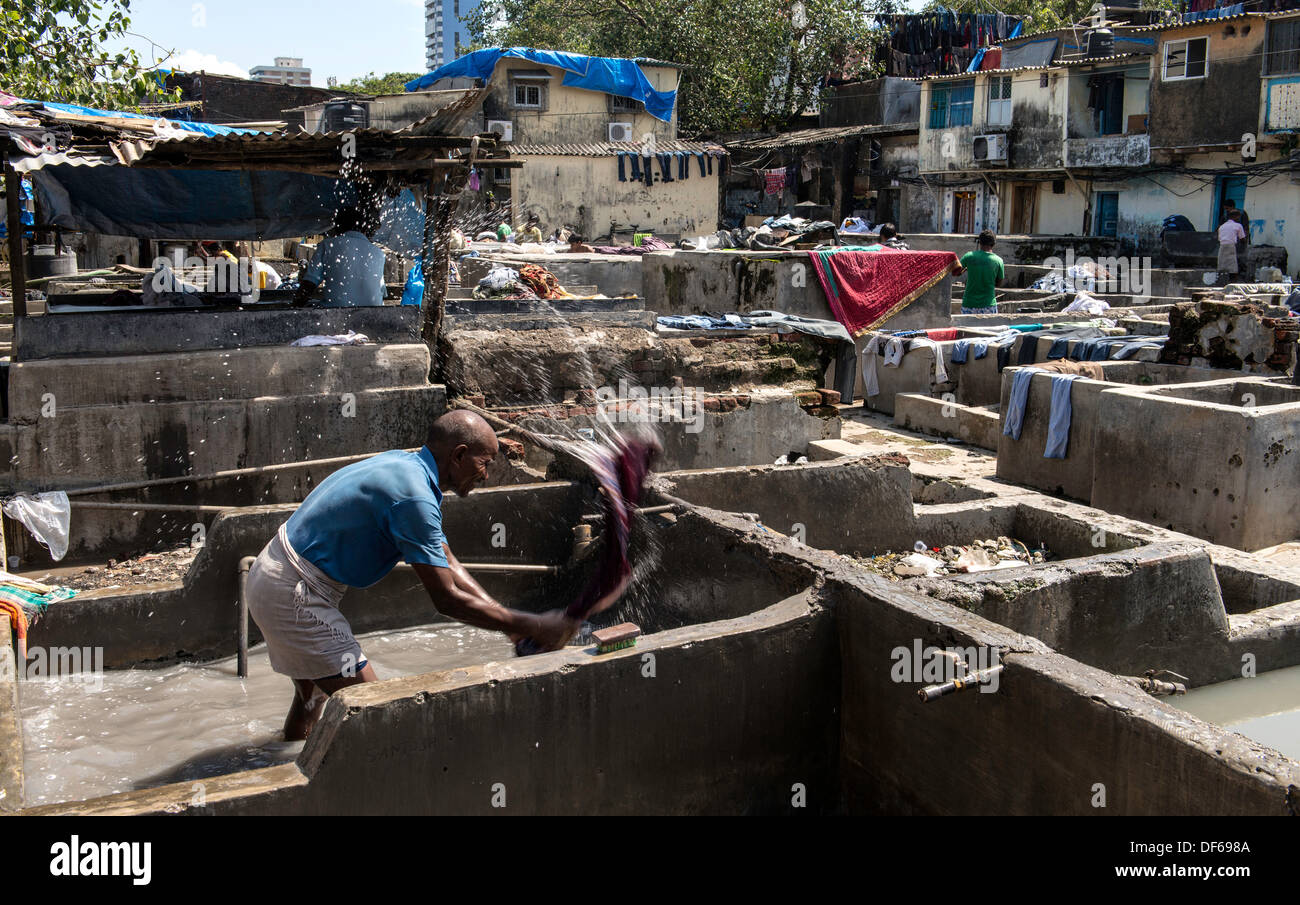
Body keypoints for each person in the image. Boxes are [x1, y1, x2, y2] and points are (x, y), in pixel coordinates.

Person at [245, 410, 581, 741]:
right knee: (379, 711)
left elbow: (447, 561)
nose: (487, 476)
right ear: (459, 455)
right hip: (294, 594)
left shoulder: (407, 468)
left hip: (273, 573)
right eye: (486, 463)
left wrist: (512, 629)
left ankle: (280, 769)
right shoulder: (414, 498)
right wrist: (534, 625)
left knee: (312, 700)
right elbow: (447, 599)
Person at [295, 206, 386, 307]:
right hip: (373, 314)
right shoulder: (378, 252)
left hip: (335, 315)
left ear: (337, 226)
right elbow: (382, 293)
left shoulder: (327, 245)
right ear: (363, 227)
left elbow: (308, 286)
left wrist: (294, 309)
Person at [950, 229, 1004, 314]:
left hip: (969, 304)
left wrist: (968, 269)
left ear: (980, 242)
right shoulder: (998, 261)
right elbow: (998, 283)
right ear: (993, 243)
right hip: (989, 305)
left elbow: (955, 273)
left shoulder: (969, 256)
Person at [1216, 210, 1246, 278]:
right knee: (1232, 265)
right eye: (1238, 217)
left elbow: (1219, 238)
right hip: (1231, 246)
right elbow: (1242, 239)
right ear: (1236, 217)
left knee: (1222, 264)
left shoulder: (1222, 226)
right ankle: (1232, 280)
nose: (1239, 219)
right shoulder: (1238, 225)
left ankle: (1221, 279)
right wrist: (1243, 246)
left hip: (1222, 246)